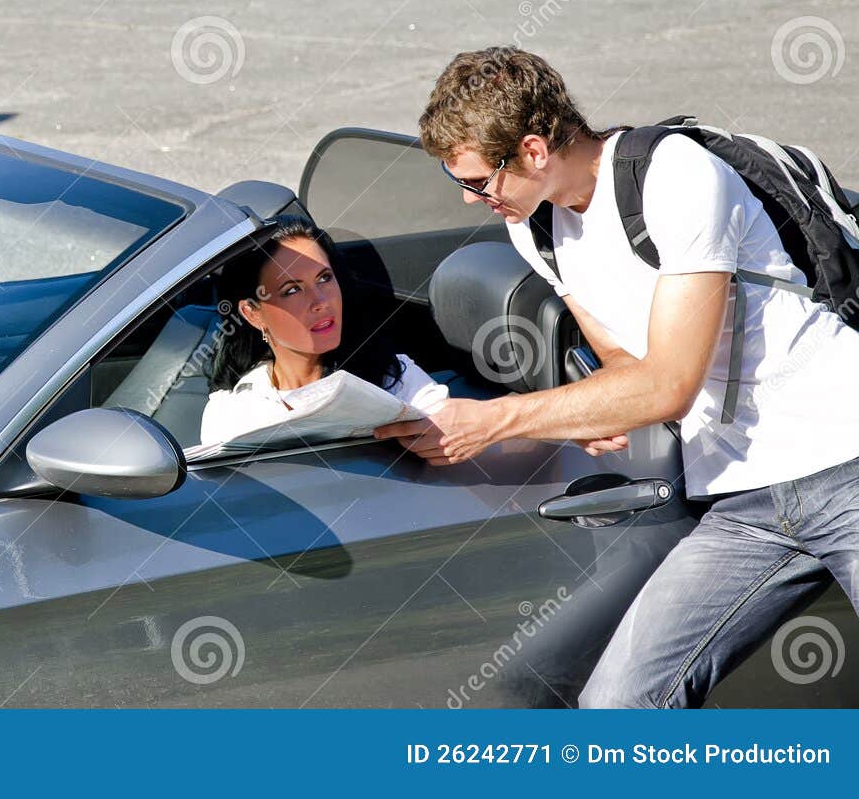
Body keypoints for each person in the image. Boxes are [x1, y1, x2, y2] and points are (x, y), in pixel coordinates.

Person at [382, 46, 859, 708]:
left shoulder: (672, 174)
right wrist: (596, 409)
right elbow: (628, 369)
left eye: (479, 180)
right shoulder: (538, 227)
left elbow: (667, 385)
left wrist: (492, 421)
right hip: (744, 500)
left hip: (845, 456)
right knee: (619, 707)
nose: (472, 198)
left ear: (533, 149)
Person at [200, 216, 449, 445]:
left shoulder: (396, 380)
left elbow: (464, 450)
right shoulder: (231, 412)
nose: (321, 301)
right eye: (292, 290)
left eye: (324, 278)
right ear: (253, 313)